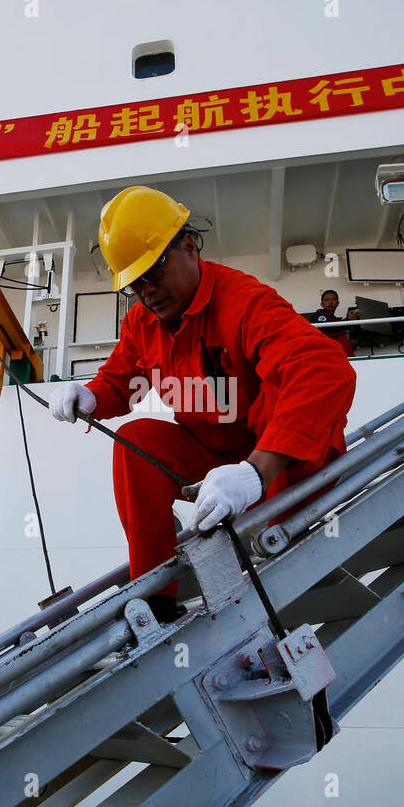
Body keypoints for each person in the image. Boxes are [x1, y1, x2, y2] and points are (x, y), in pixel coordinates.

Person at [48, 186, 356, 622]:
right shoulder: (143, 319)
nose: (146, 291)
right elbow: (123, 379)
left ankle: (275, 543)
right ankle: (155, 599)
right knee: (136, 440)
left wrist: (256, 471)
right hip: (213, 455)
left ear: (189, 247)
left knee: (279, 388)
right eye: (134, 284)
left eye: (153, 272)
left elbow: (324, 368)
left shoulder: (245, 302)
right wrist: (92, 395)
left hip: (282, 461)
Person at [311, 289, 357, 356]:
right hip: (325, 355)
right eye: (327, 300)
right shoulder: (318, 315)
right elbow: (330, 328)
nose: (330, 302)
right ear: (322, 304)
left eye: (333, 299)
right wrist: (348, 320)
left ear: (338, 303)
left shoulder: (335, 319)